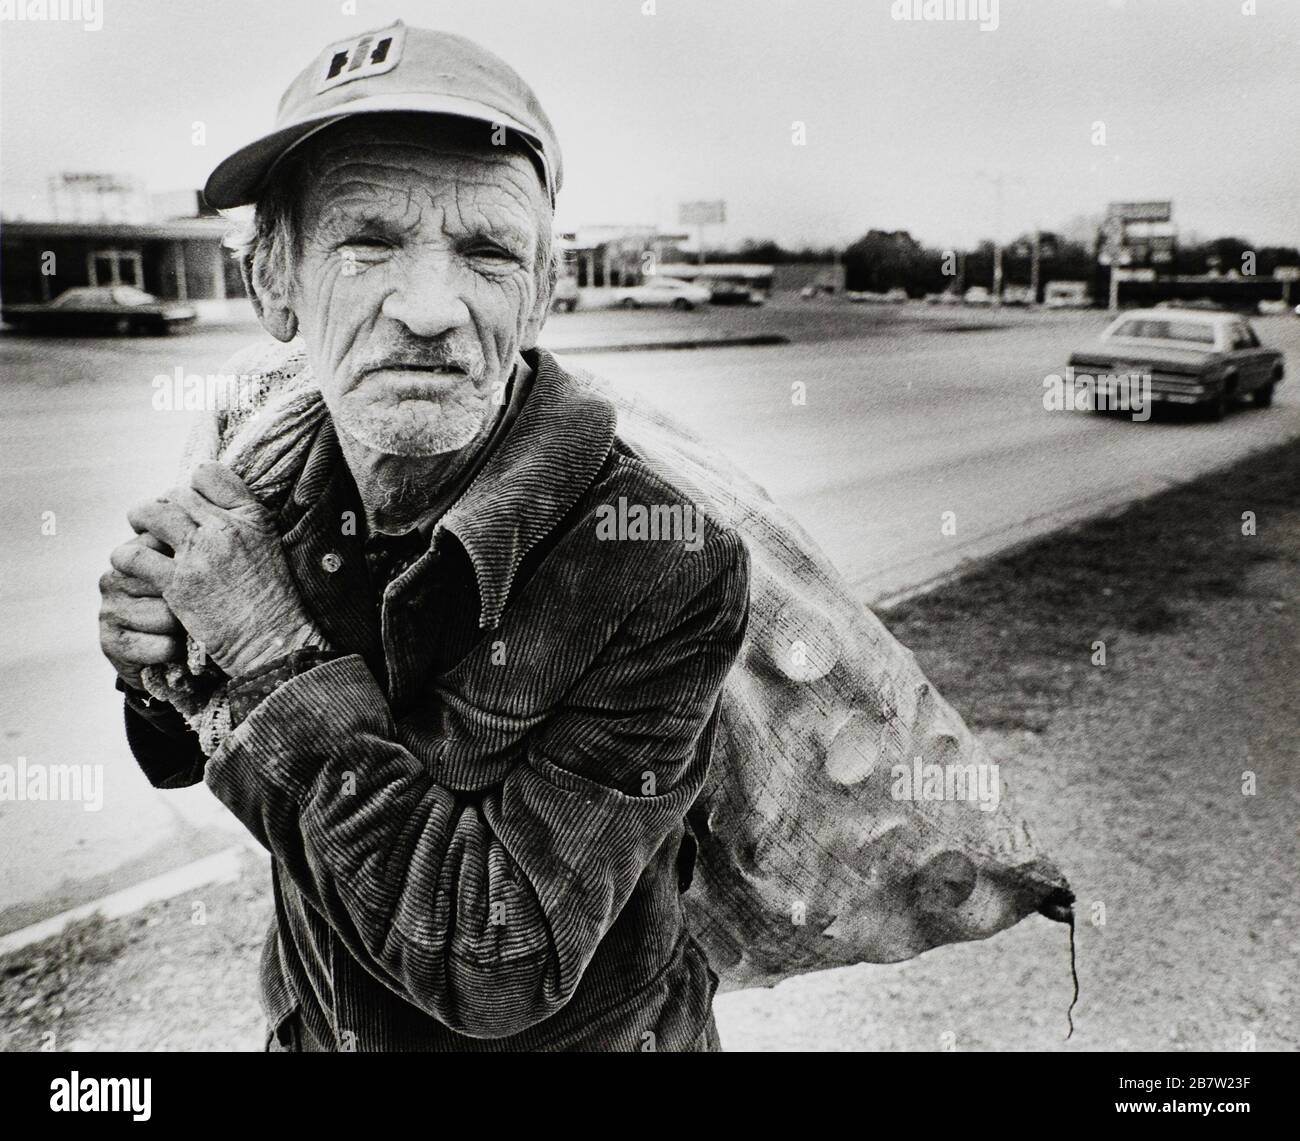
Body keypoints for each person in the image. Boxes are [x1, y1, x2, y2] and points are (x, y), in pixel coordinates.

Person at [97, 22, 749, 1052]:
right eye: (367, 241)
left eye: (487, 251)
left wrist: (267, 651)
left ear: (538, 293)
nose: (432, 308)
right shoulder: (254, 466)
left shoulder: (659, 557)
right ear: (274, 280)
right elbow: (175, 758)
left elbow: (503, 965)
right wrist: (158, 673)